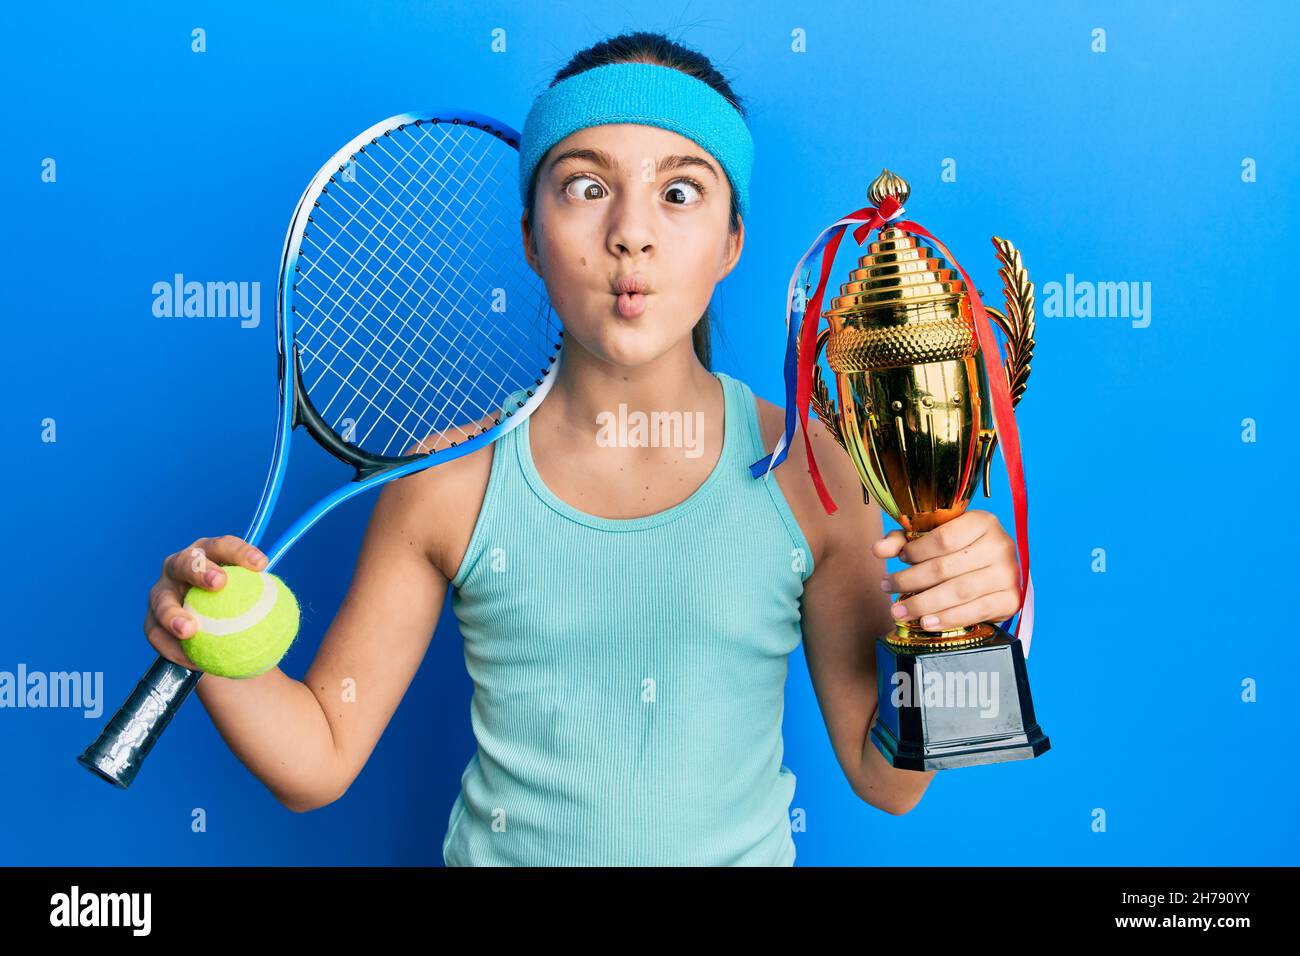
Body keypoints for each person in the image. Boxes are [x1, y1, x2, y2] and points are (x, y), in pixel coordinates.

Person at [141, 31, 1024, 866]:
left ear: (731, 244)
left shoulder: (812, 470)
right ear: (531, 237)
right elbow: (320, 757)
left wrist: (971, 629)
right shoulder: (447, 481)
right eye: (585, 186)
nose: (630, 232)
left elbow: (888, 783)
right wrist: (211, 643)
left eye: (679, 192)